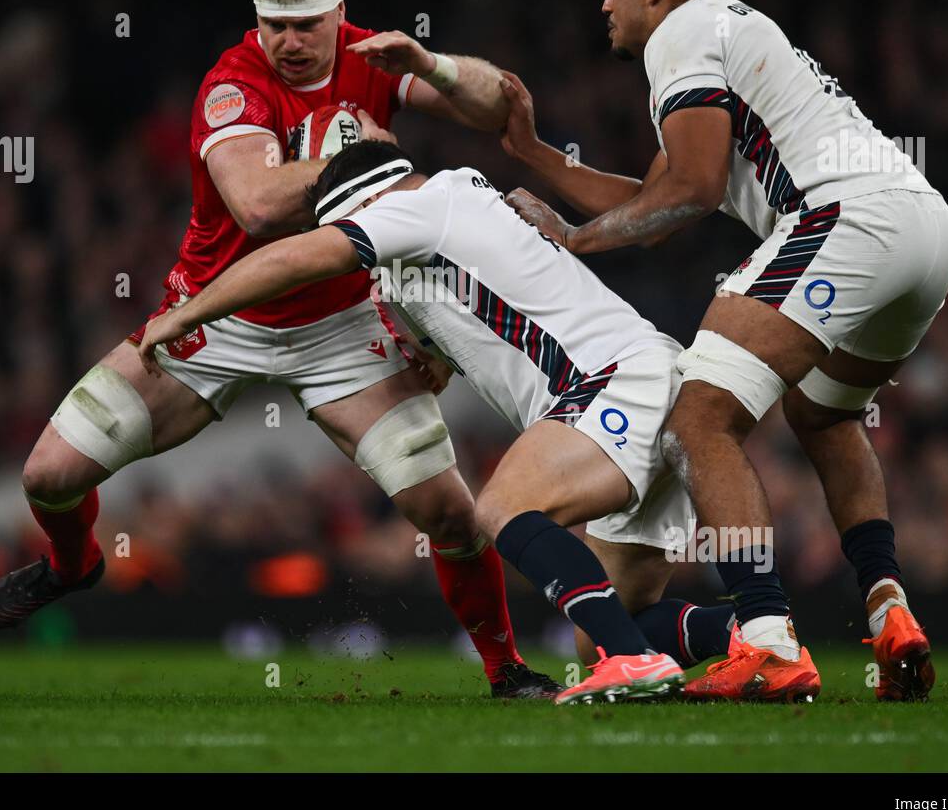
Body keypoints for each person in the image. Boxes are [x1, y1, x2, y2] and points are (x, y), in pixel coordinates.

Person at [0, 0, 558, 699]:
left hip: (345, 326)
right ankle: (74, 562)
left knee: (450, 514)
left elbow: (498, 107)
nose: (288, 41)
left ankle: (505, 670)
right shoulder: (232, 82)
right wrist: (361, 159)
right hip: (218, 318)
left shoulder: (374, 54)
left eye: (305, 24)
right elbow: (255, 204)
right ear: (256, 19)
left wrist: (436, 68)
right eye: (273, 24)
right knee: (47, 476)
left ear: (337, 10)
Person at [500, 0, 948, 701]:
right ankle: (890, 609)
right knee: (824, 415)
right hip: (923, 230)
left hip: (845, 219)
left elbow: (694, 191)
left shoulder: (677, 32)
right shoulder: (730, 24)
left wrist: (575, 241)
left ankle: (770, 636)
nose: (604, 2)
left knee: (698, 418)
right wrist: (535, 155)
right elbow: (661, 196)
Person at [138, 139, 757, 705]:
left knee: (502, 510)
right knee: (601, 627)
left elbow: (295, 259)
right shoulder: (457, 201)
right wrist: (438, 356)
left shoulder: (415, 206)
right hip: (647, 382)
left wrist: (188, 313)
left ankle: (632, 662)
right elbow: (482, 297)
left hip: (611, 382)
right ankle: (749, 638)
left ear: (362, 202)